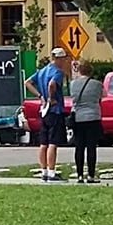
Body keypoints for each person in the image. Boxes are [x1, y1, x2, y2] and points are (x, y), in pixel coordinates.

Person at [25, 46, 69, 183]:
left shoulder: (42, 71)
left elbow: (28, 82)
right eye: (63, 58)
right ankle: (51, 172)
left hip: (44, 110)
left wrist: (40, 96)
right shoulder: (57, 72)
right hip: (54, 110)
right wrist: (51, 97)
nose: (64, 61)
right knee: (53, 142)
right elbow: (52, 85)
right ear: (59, 59)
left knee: (43, 142)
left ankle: (43, 171)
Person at [69, 60, 105, 184]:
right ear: (91, 71)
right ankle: (91, 175)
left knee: (79, 147)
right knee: (91, 148)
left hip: (78, 118)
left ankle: (79, 175)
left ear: (79, 70)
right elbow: (103, 95)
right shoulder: (96, 84)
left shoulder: (73, 84)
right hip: (93, 118)